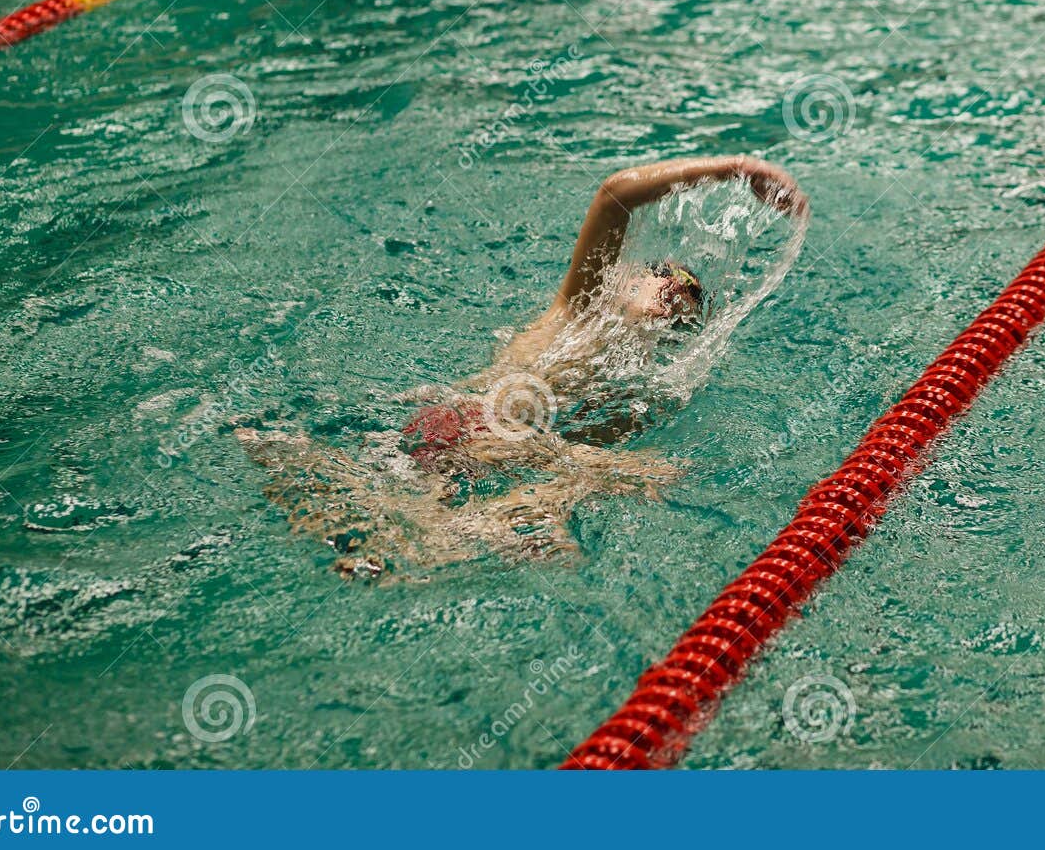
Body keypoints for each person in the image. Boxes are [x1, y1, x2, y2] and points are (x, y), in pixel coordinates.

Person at [238, 155, 806, 578]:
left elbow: (585, 450)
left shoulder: (642, 388)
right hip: (461, 428)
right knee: (622, 475)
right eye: (672, 279)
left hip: (500, 461)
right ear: (630, 276)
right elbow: (614, 197)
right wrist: (730, 169)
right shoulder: (582, 312)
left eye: (688, 306)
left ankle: (408, 520)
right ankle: (346, 490)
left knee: (618, 478)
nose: (676, 298)